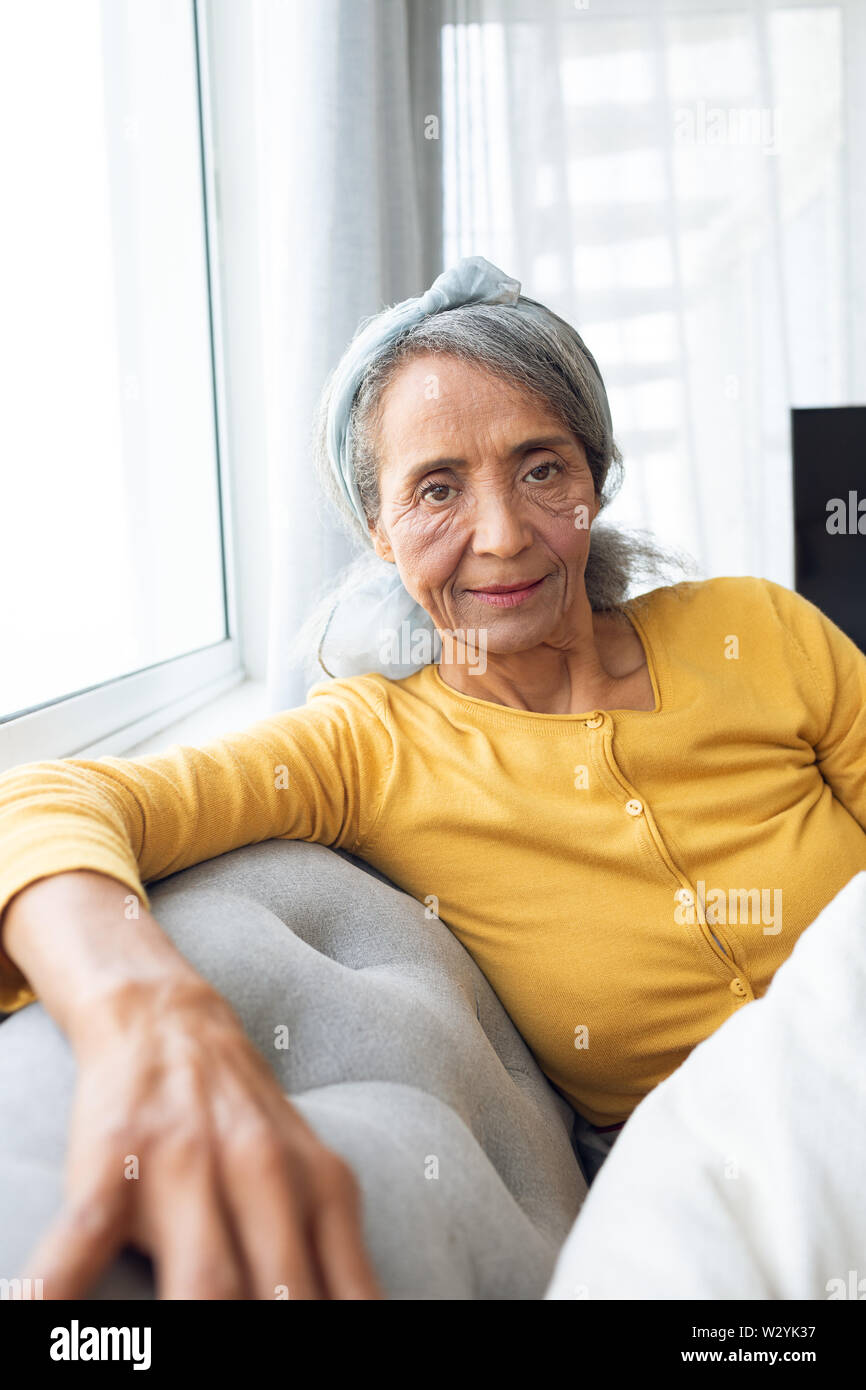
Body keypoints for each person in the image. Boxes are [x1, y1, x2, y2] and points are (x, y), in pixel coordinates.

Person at [1, 257, 864, 1300]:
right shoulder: (366, 748)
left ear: (595, 477)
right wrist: (145, 1010)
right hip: (733, 1180)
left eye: (541, 468)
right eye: (436, 488)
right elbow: (47, 800)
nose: (500, 536)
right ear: (377, 529)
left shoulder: (754, 629)